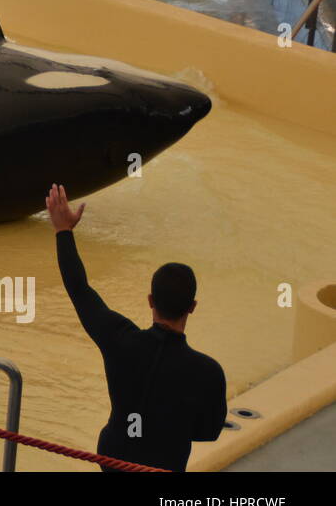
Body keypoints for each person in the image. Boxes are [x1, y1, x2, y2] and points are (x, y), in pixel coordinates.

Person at [46, 184, 227, 472]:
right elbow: (208, 432)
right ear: (192, 306)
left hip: (113, 461)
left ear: (151, 301)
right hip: (164, 466)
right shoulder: (208, 371)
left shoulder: (120, 340)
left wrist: (63, 231)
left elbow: (79, 289)